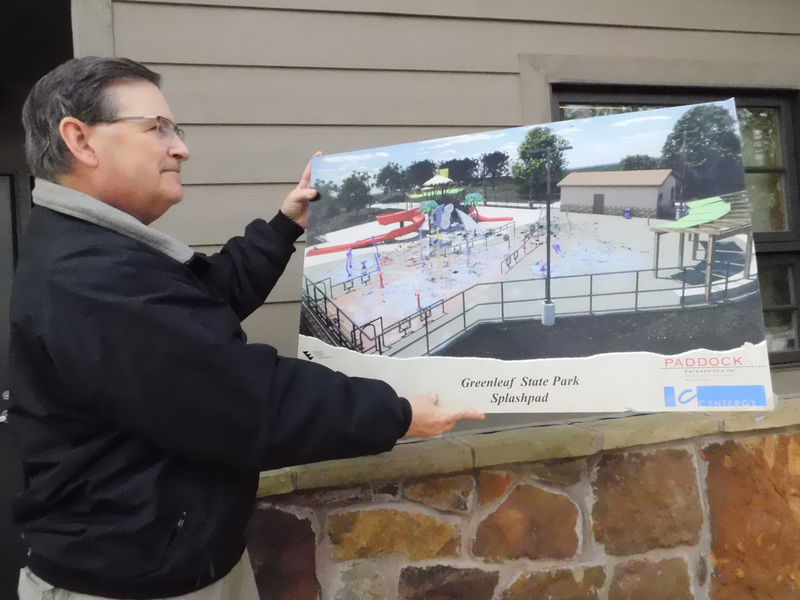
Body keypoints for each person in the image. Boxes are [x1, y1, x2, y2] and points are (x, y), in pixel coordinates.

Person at [9, 57, 483, 600]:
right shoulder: (91, 274)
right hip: (130, 583)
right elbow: (249, 401)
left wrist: (286, 225)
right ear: (81, 140)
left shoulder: (99, 250)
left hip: (161, 562)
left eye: (176, 130)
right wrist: (397, 413)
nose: (180, 148)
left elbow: (198, 308)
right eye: (157, 128)